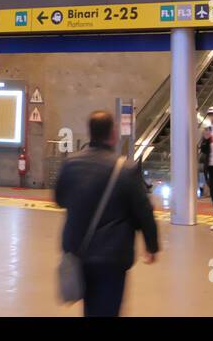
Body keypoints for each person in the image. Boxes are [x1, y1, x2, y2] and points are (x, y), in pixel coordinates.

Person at [54, 110, 158, 317]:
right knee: (109, 309)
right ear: (113, 134)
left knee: (90, 307)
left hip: (79, 251)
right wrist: (151, 245)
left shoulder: (71, 164)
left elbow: (60, 199)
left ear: (90, 133)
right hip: (112, 255)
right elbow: (143, 211)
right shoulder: (126, 169)